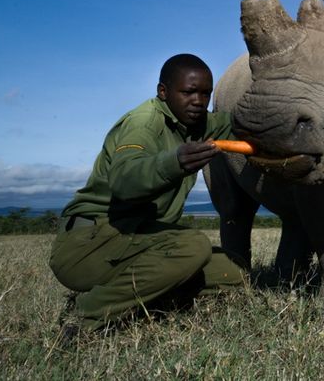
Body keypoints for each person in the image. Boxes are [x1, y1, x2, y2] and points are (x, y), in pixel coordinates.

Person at [49, 54, 246, 340]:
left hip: (139, 239)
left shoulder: (199, 123)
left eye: (206, 94)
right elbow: (124, 180)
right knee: (192, 246)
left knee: (234, 271)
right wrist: (173, 163)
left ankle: (142, 301)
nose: (198, 101)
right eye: (189, 92)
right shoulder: (143, 124)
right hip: (90, 244)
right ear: (163, 92)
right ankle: (85, 316)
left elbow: (236, 124)